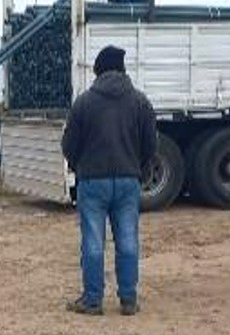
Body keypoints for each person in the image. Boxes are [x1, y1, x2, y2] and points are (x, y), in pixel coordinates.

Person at [60, 46, 158, 316]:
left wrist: (81, 165)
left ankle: (93, 300)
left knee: (93, 240)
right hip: (128, 180)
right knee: (127, 239)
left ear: (98, 70)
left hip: (92, 181)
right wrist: (136, 167)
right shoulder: (140, 102)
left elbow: (68, 145)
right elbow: (151, 144)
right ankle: (128, 299)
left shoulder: (84, 102)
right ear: (123, 70)